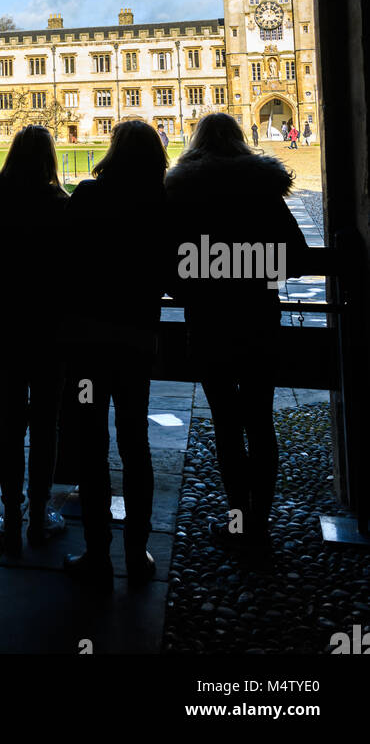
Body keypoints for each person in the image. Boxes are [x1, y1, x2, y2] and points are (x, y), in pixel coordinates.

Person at [164, 112, 315, 552]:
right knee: (260, 423)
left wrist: (203, 281)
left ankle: (237, 520)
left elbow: (171, 269)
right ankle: (259, 525)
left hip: (209, 321)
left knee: (227, 426)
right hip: (256, 317)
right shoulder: (261, 187)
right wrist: (253, 271)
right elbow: (297, 259)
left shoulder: (184, 191)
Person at [61, 121, 170, 590]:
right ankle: (137, 551)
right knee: (134, 443)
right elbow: (172, 274)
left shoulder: (87, 196)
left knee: (91, 445)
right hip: (136, 338)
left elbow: (62, 259)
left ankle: (97, 551)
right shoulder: (160, 204)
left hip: (89, 340)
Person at [0, 125, 69, 556]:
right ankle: (38, 512)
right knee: (45, 422)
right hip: (48, 327)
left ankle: (11, 512)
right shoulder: (59, 205)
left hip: (6, 326)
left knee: (11, 421)